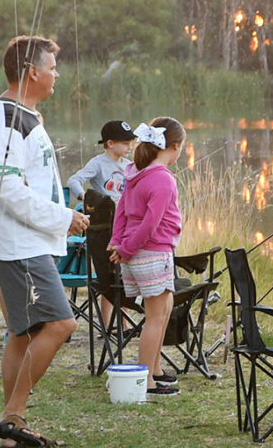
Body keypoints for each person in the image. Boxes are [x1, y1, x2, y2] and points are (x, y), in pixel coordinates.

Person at [0, 34, 87, 448]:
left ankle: (11, 430)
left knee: (22, 333)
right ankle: (10, 416)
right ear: (32, 72)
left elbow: (30, 184)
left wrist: (62, 220)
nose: (57, 74)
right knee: (61, 324)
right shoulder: (6, 121)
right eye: (52, 67)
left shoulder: (25, 117)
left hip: (31, 243)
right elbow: (10, 192)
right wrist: (64, 218)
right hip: (21, 247)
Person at [107, 117, 186, 400]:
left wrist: (118, 242)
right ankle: (147, 379)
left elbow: (121, 212)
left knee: (165, 308)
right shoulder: (162, 178)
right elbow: (150, 224)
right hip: (152, 252)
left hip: (145, 252)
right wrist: (125, 248)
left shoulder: (134, 173)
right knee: (155, 317)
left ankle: (155, 367)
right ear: (174, 147)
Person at [66, 119, 138, 206]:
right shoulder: (97, 164)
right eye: (126, 143)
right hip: (104, 215)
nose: (130, 147)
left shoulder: (128, 164)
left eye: (131, 143)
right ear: (110, 143)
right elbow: (73, 181)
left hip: (123, 214)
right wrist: (85, 197)